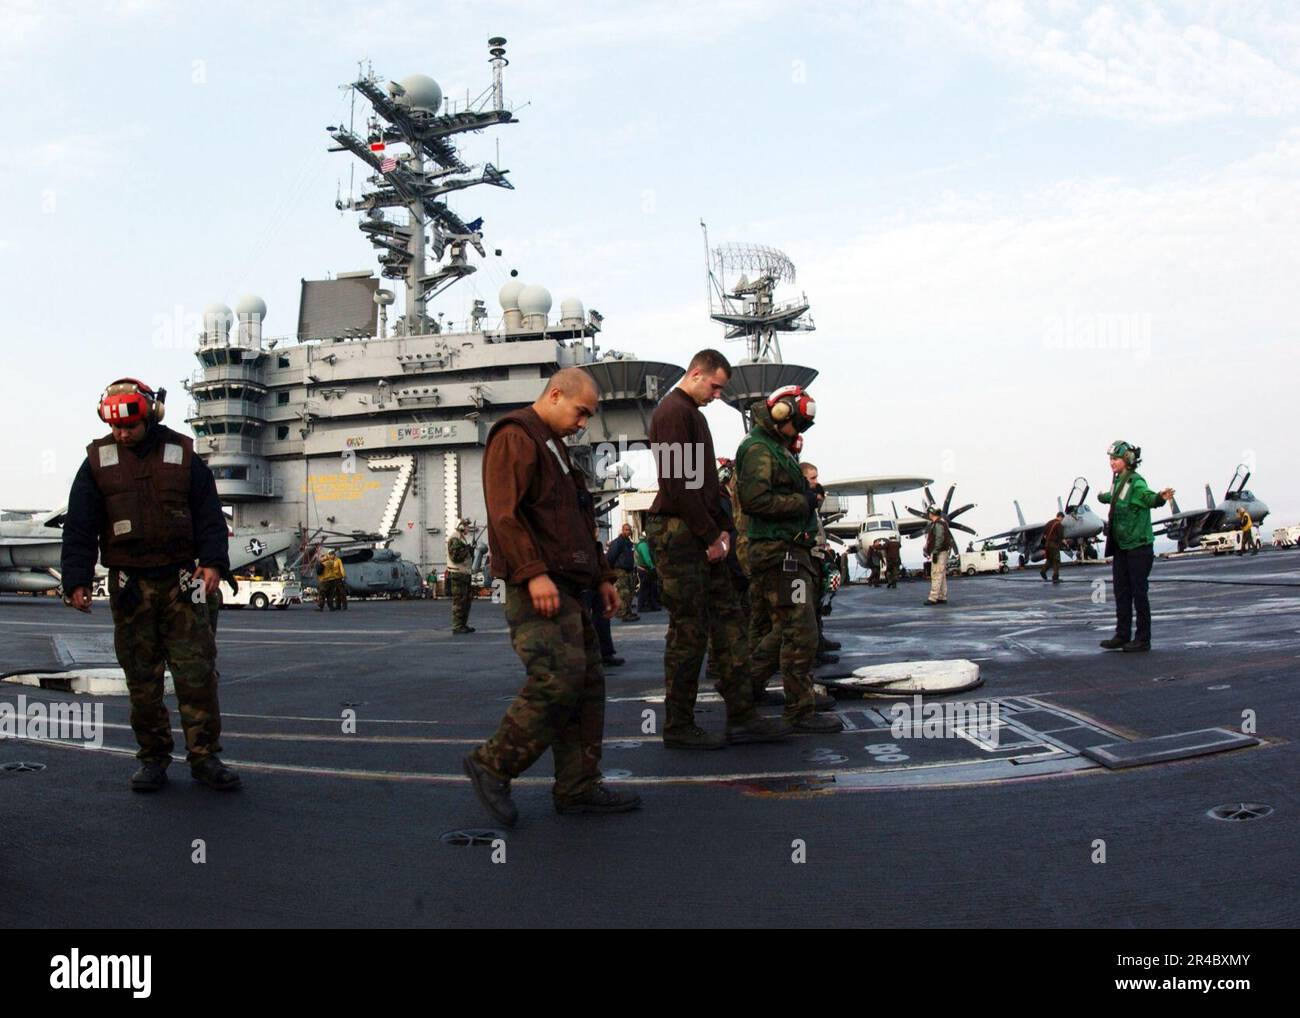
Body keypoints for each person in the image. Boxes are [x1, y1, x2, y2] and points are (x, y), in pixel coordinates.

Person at [464, 368, 640, 825]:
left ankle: (578, 787)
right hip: (539, 589)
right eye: (581, 412)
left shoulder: (554, 448)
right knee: (556, 680)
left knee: (585, 685)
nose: (583, 423)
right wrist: (532, 573)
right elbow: (504, 514)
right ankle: (492, 764)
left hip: (569, 587)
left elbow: (579, 521)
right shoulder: (516, 436)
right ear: (556, 395)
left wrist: (602, 575)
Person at [59, 378, 240, 792]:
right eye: (117, 428)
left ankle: (205, 759)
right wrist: (76, 580)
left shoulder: (183, 454)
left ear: (151, 416)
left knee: (196, 675)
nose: (123, 434)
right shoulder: (96, 462)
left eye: (132, 427)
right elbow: (81, 527)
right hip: (129, 585)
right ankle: (153, 758)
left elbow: (210, 513)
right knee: (142, 679)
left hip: (183, 581)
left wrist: (213, 562)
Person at [646, 349, 791, 749]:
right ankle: (678, 725)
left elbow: (703, 486)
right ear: (696, 374)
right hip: (679, 535)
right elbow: (677, 485)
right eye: (714, 386)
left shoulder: (692, 414)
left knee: (729, 624)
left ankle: (742, 716)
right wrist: (711, 535)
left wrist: (724, 530)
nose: (717, 395)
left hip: (699, 531)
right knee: (689, 633)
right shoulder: (673, 413)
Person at [736, 385, 842, 733]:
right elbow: (756, 502)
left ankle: (745, 692)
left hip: (788, 553)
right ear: (780, 413)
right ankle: (798, 710)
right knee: (800, 631)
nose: (798, 433)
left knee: (788, 630)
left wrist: (805, 496)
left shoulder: (775, 449)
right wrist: (805, 502)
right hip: (781, 556)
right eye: (796, 424)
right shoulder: (758, 450)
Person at [1097, 441, 1174, 652]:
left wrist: (1160, 497)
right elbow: (1113, 497)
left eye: (1116, 459)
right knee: (1121, 591)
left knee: (1139, 592)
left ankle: (1143, 639)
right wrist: (1101, 496)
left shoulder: (1136, 482)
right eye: (1111, 459)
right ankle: (1122, 635)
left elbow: (1148, 498)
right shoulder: (1119, 481)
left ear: (1128, 460)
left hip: (1139, 547)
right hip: (1122, 546)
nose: (1112, 463)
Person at [446, 518, 476, 633]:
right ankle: (458, 626)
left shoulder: (461, 538)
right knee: (459, 601)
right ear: (461, 527)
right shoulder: (455, 538)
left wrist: (469, 550)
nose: (468, 528)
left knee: (466, 601)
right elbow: (456, 557)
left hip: (464, 573)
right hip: (458, 574)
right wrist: (467, 549)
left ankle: (463, 624)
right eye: (466, 526)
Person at [605, 522, 640, 621]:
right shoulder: (618, 542)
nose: (628, 532)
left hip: (628, 571)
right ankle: (623, 614)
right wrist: (611, 570)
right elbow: (611, 556)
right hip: (620, 570)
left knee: (630, 592)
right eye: (626, 530)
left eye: (629, 530)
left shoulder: (628, 542)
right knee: (623, 593)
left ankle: (628, 612)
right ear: (622, 530)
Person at [923, 506, 956, 606]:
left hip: (940, 552)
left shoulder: (938, 524)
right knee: (941, 574)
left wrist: (936, 551)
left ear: (931, 513)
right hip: (943, 551)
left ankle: (933, 597)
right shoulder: (942, 522)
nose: (928, 514)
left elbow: (939, 538)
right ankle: (942, 596)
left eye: (929, 513)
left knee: (936, 573)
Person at [634, 532, 660, 611]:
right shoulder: (643, 545)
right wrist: (652, 567)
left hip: (642, 568)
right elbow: (647, 558)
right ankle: (642, 606)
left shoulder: (639, 544)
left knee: (648, 588)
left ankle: (650, 605)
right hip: (645, 569)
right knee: (645, 588)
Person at [1041, 511, 1065, 583]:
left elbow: (1044, 534)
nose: (1062, 520)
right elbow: (1061, 536)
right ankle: (1055, 577)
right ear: (1060, 517)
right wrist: (1065, 542)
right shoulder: (1059, 525)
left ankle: (1043, 571)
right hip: (1054, 545)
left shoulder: (1049, 523)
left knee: (1050, 560)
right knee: (1056, 561)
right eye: (1062, 519)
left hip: (1047, 544)